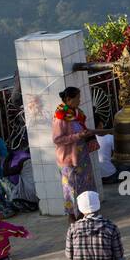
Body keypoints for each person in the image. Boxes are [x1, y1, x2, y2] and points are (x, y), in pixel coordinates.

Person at [52, 86, 106, 221]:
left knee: (86, 184)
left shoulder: (77, 114)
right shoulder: (61, 117)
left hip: (82, 156)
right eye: (77, 98)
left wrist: (88, 135)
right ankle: (73, 215)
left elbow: (82, 128)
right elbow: (57, 139)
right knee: (71, 188)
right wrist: (77, 136)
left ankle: (87, 212)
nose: (79, 101)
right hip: (69, 158)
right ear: (68, 100)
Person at [65, 190, 124, 260]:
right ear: (98, 206)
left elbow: (69, 255)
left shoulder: (73, 228)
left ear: (81, 209)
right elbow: (118, 254)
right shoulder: (111, 226)